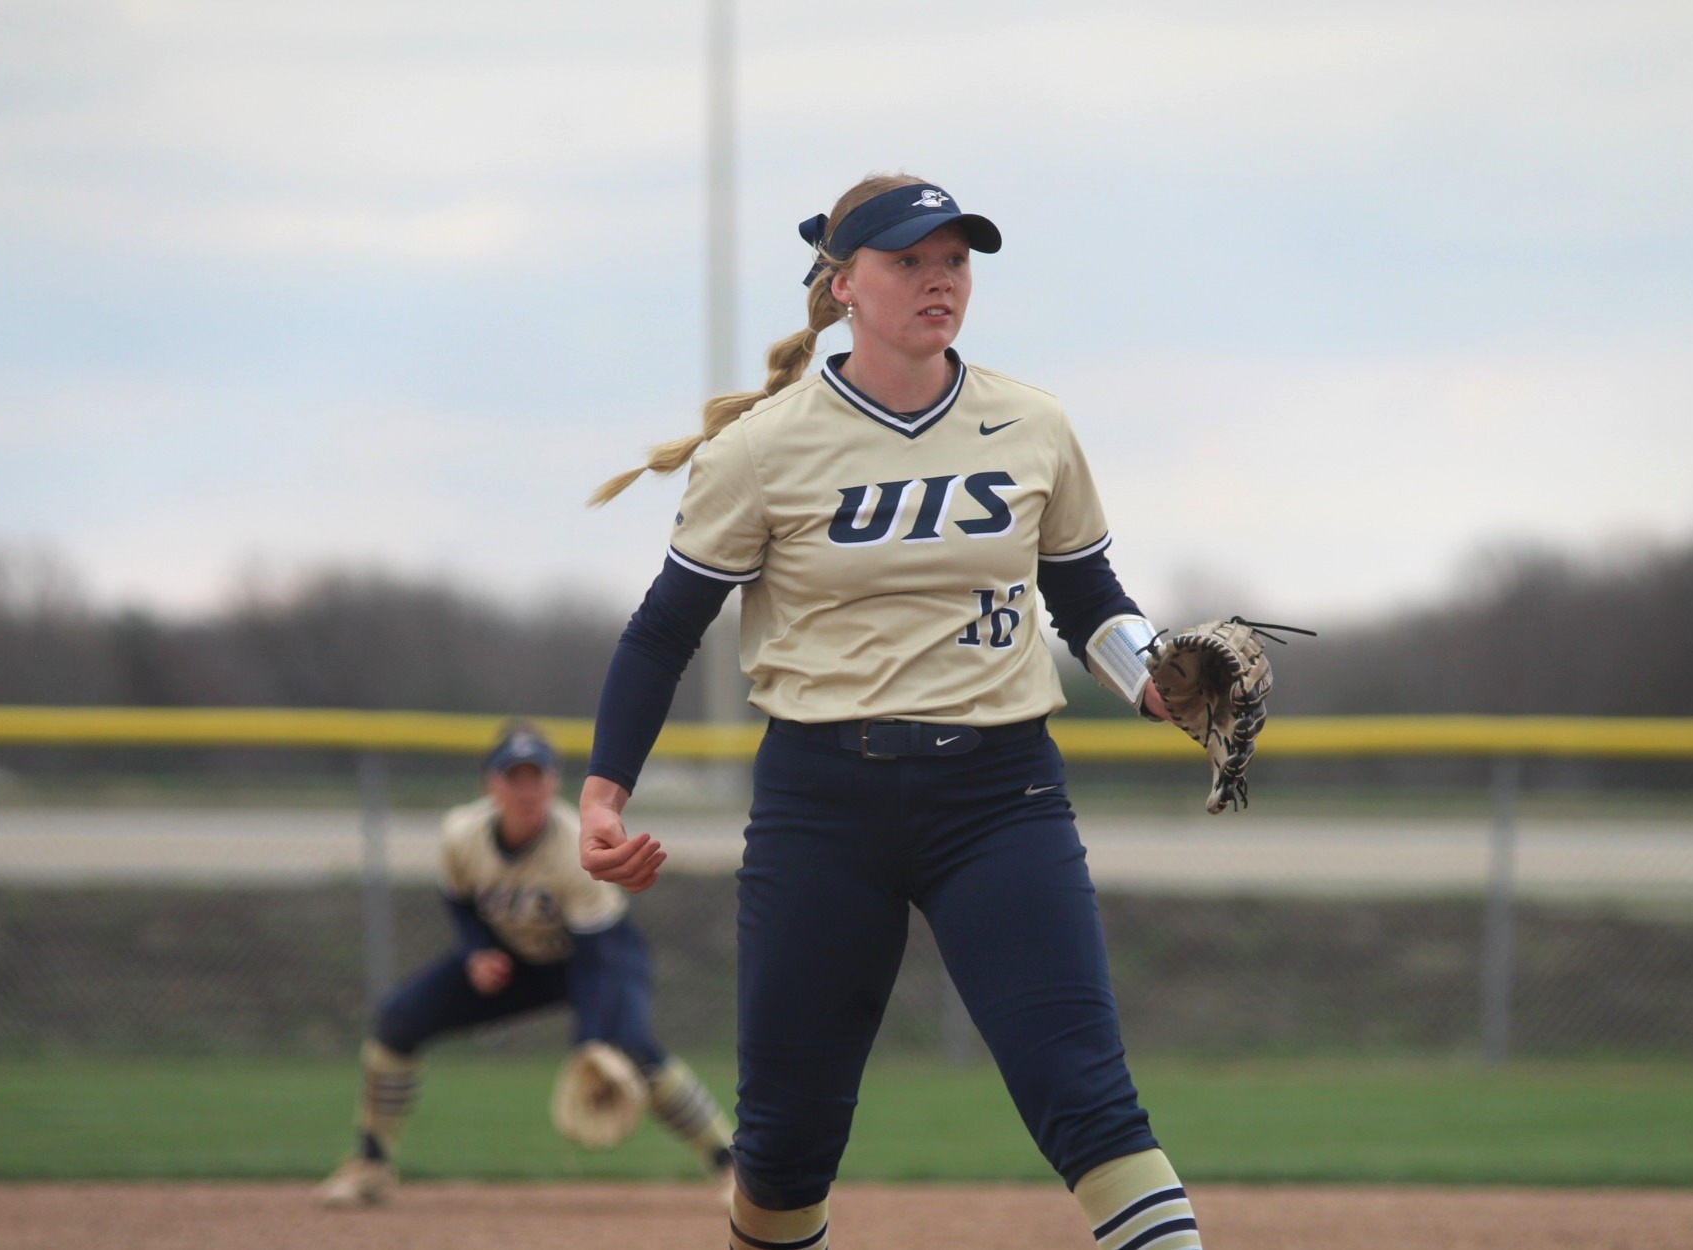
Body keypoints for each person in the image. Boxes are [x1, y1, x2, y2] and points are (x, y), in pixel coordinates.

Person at [579, 174, 1205, 1250]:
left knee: (1089, 1098)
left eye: (954, 260)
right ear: (842, 285)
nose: (938, 280)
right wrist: (603, 794)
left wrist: (1155, 677)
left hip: (1000, 797)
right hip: (821, 807)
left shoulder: (1032, 422)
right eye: (908, 260)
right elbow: (661, 631)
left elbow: (1088, 598)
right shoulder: (763, 447)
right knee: (783, 1150)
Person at [318, 720, 735, 1209]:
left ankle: (735, 1168)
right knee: (397, 1021)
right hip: (517, 959)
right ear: (490, 785)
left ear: (553, 783)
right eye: (513, 777)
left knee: (634, 1052)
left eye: (536, 776)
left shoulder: (573, 846)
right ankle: (370, 1164)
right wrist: (476, 951)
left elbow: (595, 959)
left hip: (601, 957)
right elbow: (459, 898)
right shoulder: (462, 833)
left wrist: (591, 1043)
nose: (526, 789)